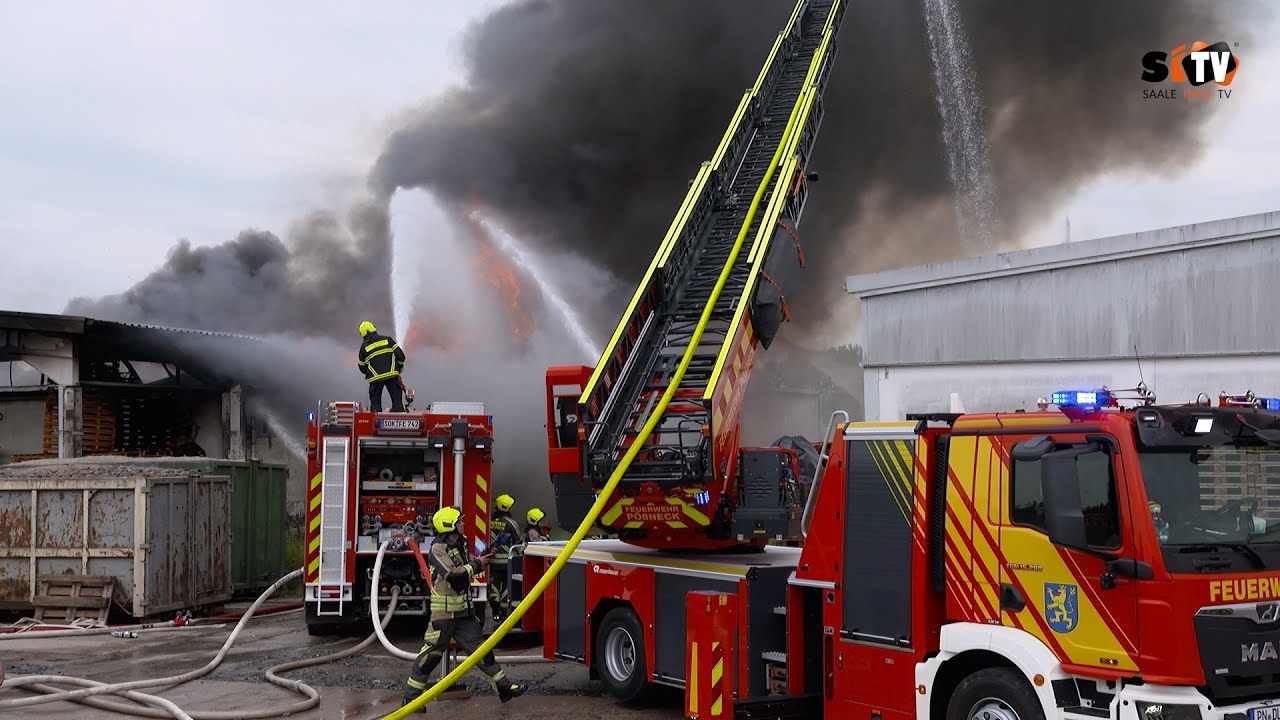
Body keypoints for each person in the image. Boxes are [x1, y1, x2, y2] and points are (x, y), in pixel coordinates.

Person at [402, 507, 527, 708]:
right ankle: (411, 698)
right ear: (449, 525)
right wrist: (477, 564)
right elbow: (453, 574)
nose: (463, 523)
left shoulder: (461, 543)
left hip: (464, 615)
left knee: (482, 651)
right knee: (431, 657)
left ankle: (503, 687)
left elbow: (468, 565)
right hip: (443, 615)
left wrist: (485, 556)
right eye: (459, 521)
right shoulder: (438, 548)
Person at [357, 321, 406, 413]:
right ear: (374, 328)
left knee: (375, 404)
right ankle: (399, 416)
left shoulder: (363, 348)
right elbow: (401, 357)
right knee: (397, 402)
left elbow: (362, 368)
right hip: (392, 375)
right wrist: (398, 366)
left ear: (362, 333)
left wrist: (370, 370)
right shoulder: (388, 340)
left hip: (375, 379)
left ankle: (376, 421)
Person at [488, 494, 518, 623]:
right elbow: (517, 543)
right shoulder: (511, 523)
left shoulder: (488, 521)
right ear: (506, 508)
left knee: (494, 586)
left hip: (492, 562)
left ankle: (495, 612)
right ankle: (503, 614)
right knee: (506, 587)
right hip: (506, 563)